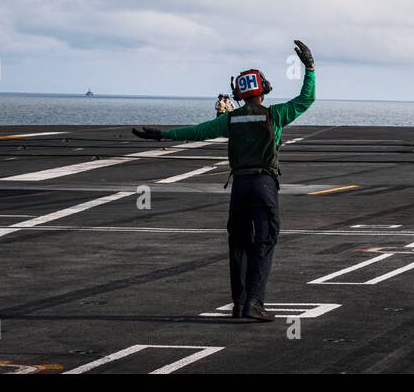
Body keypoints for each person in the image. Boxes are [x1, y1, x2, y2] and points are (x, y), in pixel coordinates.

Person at [132, 39, 315, 322]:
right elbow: (306, 99)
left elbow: (195, 132)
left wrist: (161, 135)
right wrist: (310, 67)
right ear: (264, 90)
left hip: (240, 188)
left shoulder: (230, 120)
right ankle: (255, 302)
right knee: (264, 242)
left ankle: (239, 304)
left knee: (239, 244)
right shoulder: (275, 115)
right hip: (264, 185)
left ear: (239, 94)